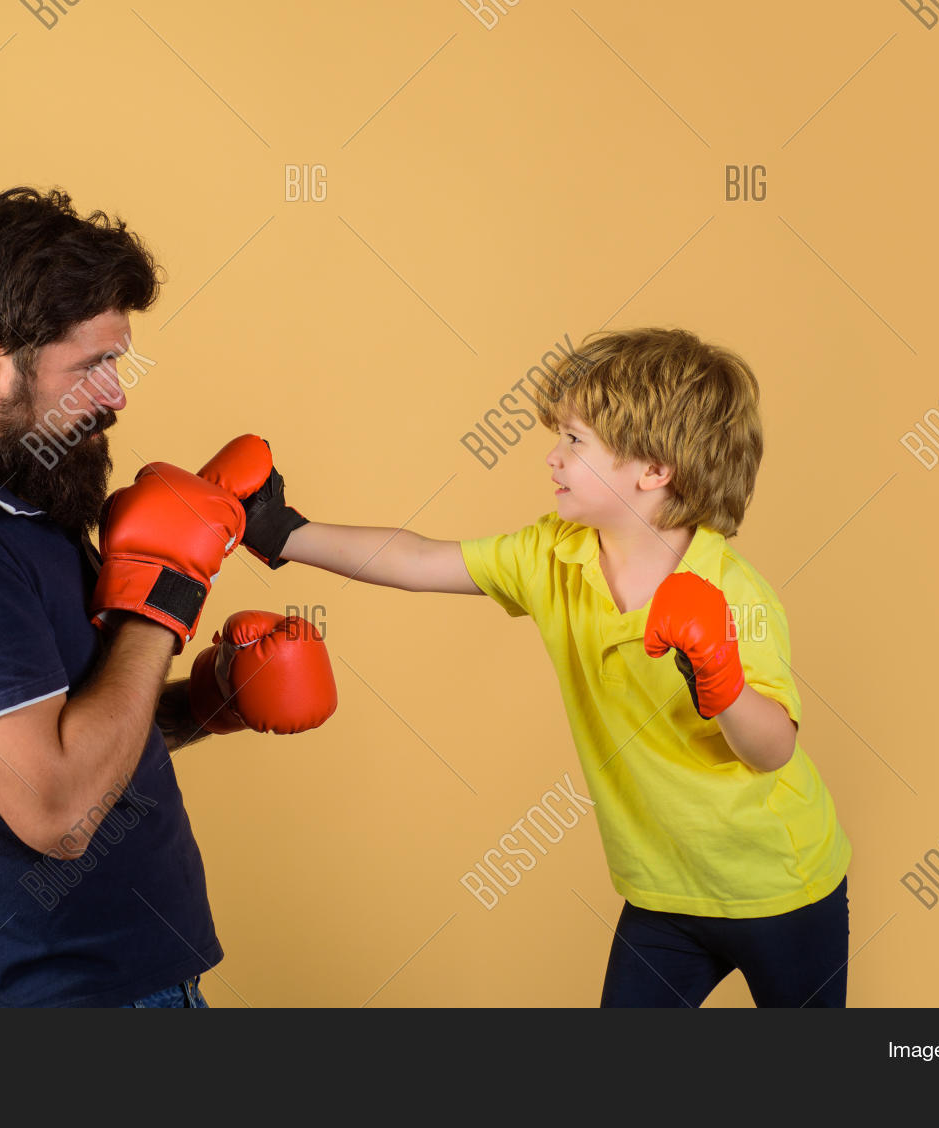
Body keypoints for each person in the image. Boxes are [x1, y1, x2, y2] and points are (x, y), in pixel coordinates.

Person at [224, 327, 852, 1007]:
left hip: (782, 887)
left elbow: (773, 749)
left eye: (575, 442)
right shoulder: (554, 556)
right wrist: (281, 532)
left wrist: (721, 673)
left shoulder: (738, 595)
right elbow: (420, 561)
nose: (552, 458)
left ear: (654, 468)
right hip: (664, 893)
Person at [0, 186, 334, 1007]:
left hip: (129, 987)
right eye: (92, 365)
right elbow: (58, 810)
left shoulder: (28, 489)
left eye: (118, 362)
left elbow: (66, 726)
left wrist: (205, 704)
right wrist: (162, 597)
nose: (118, 394)